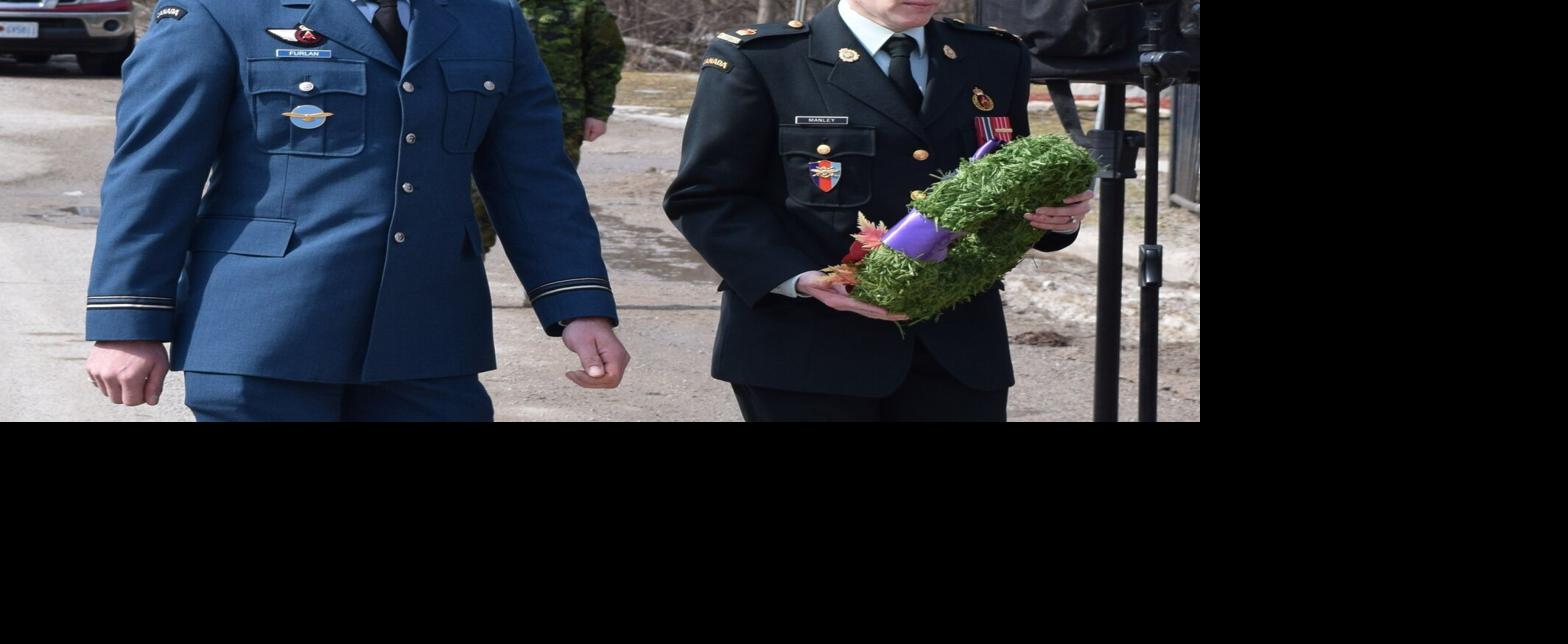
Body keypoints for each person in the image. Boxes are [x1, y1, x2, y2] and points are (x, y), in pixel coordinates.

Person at [85, 0, 630, 421]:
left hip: (429, 339)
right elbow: (155, 173)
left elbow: (533, 178)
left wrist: (578, 306)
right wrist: (126, 323)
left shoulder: (491, 18)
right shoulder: (219, 11)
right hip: (264, 338)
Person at [663, 0, 1092, 422]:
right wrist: (797, 278)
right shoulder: (765, 57)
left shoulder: (994, 55)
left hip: (956, 351)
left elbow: (1008, 178)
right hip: (807, 352)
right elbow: (707, 196)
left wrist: (1053, 217)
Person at [474, 0, 626, 252]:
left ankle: (547, 290)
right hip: (487, 120)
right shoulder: (491, 4)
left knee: (546, 210)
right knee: (473, 211)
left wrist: (598, 112)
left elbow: (606, 56)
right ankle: (460, 287)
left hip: (557, 123)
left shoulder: (583, 5)